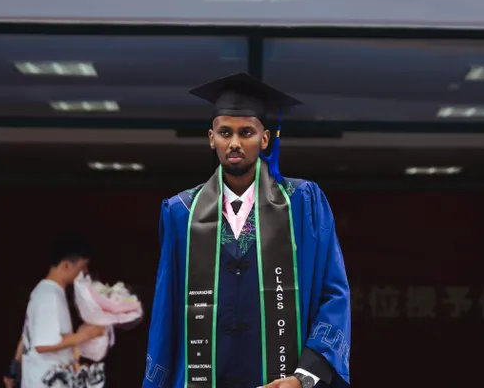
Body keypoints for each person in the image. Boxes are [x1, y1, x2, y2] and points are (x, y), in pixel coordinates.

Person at [143, 73, 351, 388]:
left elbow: (334, 294)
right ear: (211, 138)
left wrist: (303, 377)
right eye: (225, 132)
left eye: (246, 132)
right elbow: (165, 310)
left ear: (264, 139)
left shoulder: (302, 204)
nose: (235, 142)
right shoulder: (181, 212)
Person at [3, 232, 106, 388]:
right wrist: (84, 335)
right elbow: (43, 345)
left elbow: (27, 336)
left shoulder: (44, 291)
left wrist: (13, 368)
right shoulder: (49, 295)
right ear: (65, 265)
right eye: (82, 266)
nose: (85, 272)